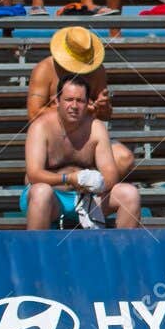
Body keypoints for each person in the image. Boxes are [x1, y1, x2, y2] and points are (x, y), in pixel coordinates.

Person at [22, 74, 141, 230]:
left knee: (129, 193)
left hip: (88, 198)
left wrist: (95, 183)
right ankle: (37, 252)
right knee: (41, 192)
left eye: (80, 101)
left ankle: (121, 252)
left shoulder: (96, 127)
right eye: (69, 100)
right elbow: (34, 174)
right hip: (54, 198)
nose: (74, 106)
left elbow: (110, 175)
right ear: (57, 101)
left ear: (87, 104)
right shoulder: (40, 127)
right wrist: (70, 178)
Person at [26, 27, 134, 177]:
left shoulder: (97, 71)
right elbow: (33, 114)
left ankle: (89, 185)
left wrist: (103, 108)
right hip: (55, 136)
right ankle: (70, 181)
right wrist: (82, 109)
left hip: (86, 137)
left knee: (124, 159)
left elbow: (105, 115)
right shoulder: (45, 69)